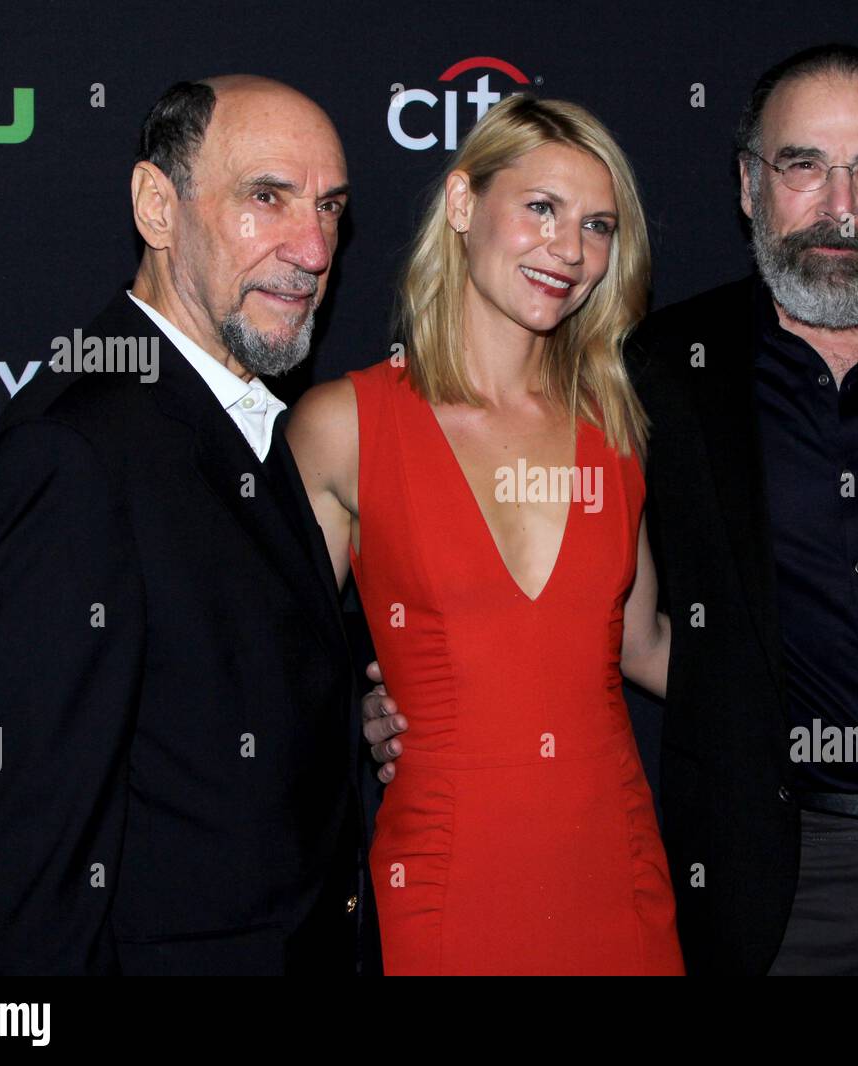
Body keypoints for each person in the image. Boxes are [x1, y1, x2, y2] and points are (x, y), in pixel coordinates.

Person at [366, 45, 858, 976]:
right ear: (749, 187)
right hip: (769, 882)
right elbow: (557, 588)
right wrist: (404, 700)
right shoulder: (655, 371)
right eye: (802, 167)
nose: (838, 207)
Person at [0, 76, 377, 975]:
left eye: (330, 208)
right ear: (156, 206)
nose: (313, 247)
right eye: (268, 198)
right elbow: (19, 876)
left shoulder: (243, 419)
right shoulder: (74, 454)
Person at [287, 94, 683, 975]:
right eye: (541, 208)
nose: (570, 251)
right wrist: (356, 712)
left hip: (616, 882)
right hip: (444, 880)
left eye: (598, 225)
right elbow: (274, 672)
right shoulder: (345, 425)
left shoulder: (615, 426)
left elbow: (646, 645)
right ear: (464, 206)